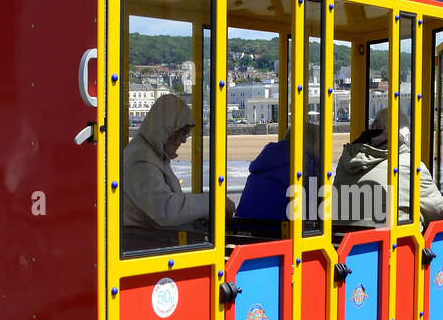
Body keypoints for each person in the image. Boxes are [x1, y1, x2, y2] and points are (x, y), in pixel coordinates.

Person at [120, 93, 230, 230]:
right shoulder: (140, 160)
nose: (184, 140)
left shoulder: (151, 155)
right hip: (148, 245)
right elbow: (166, 210)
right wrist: (213, 203)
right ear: (165, 129)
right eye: (182, 132)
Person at [332, 108, 443, 227]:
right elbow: (439, 210)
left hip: (340, 240)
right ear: (403, 134)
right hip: (390, 242)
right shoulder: (410, 164)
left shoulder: (346, 160)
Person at [235, 125, 321, 221]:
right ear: (314, 144)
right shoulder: (305, 168)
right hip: (279, 232)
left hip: (243, 229)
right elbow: (317, 213)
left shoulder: (262, 165)